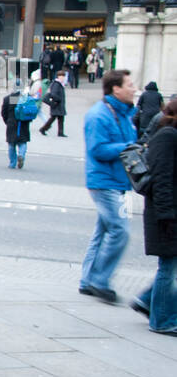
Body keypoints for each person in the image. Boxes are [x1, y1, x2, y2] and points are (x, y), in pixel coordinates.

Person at [79, 68, 139, 302]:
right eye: (130, 84)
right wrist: (128, 147)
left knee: (102, 231)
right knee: (120, 230)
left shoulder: (123, 113)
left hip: (117, 180)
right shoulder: (99, 115)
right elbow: (98, 149)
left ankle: (87, 280)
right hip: (104, 181)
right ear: (116, 88)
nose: (134, 88)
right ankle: (100, 280)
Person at [131, 100, 177, 334]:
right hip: (166, 215)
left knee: (172, 266)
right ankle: (163, 320)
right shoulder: (168, 136)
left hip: (169, 213)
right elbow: (162, 181)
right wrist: (167, 217)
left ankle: (149, 301)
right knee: (169, 267)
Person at [2, 84, 33, 169]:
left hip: (11, 124)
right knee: (23, 142)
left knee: (11, 144)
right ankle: (21, 155)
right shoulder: (26, 98)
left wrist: (7, 121)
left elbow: (3, 113)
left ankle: (12, 163)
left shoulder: (7, 99)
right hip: (23, 123)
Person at [39, 69, 68, 136]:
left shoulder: (59, 84)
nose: (63, 78)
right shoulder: (56, 84)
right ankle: (43, 129)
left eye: (64, 76)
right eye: (62, 76)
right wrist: (58, 100)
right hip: (57, 104)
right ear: (58, 76)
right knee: (53, 118)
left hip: (58, 104)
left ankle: (60, 132)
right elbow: (53, 94)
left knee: (60, 118)